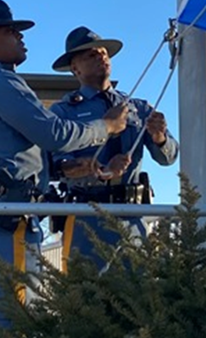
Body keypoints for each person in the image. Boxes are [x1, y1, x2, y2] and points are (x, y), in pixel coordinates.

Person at [0, 0, 128, 337]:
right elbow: (52, 133)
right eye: (11, 30)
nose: (21, 36)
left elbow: (13, 150)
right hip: (3, 212)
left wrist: (60, 171)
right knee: (17, 322)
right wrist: (106, 127)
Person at [49, 26, 179, 271]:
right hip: (86, 218)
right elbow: (58, 165)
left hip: (132, 216)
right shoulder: (64, 111)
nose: (101, 57)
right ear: (75, 68)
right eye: (91, 55)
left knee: (136, 296)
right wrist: (101, 170)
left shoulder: (138, 108)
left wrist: (160, 136)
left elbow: (168, 158)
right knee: (87, 293)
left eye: (104, 53)